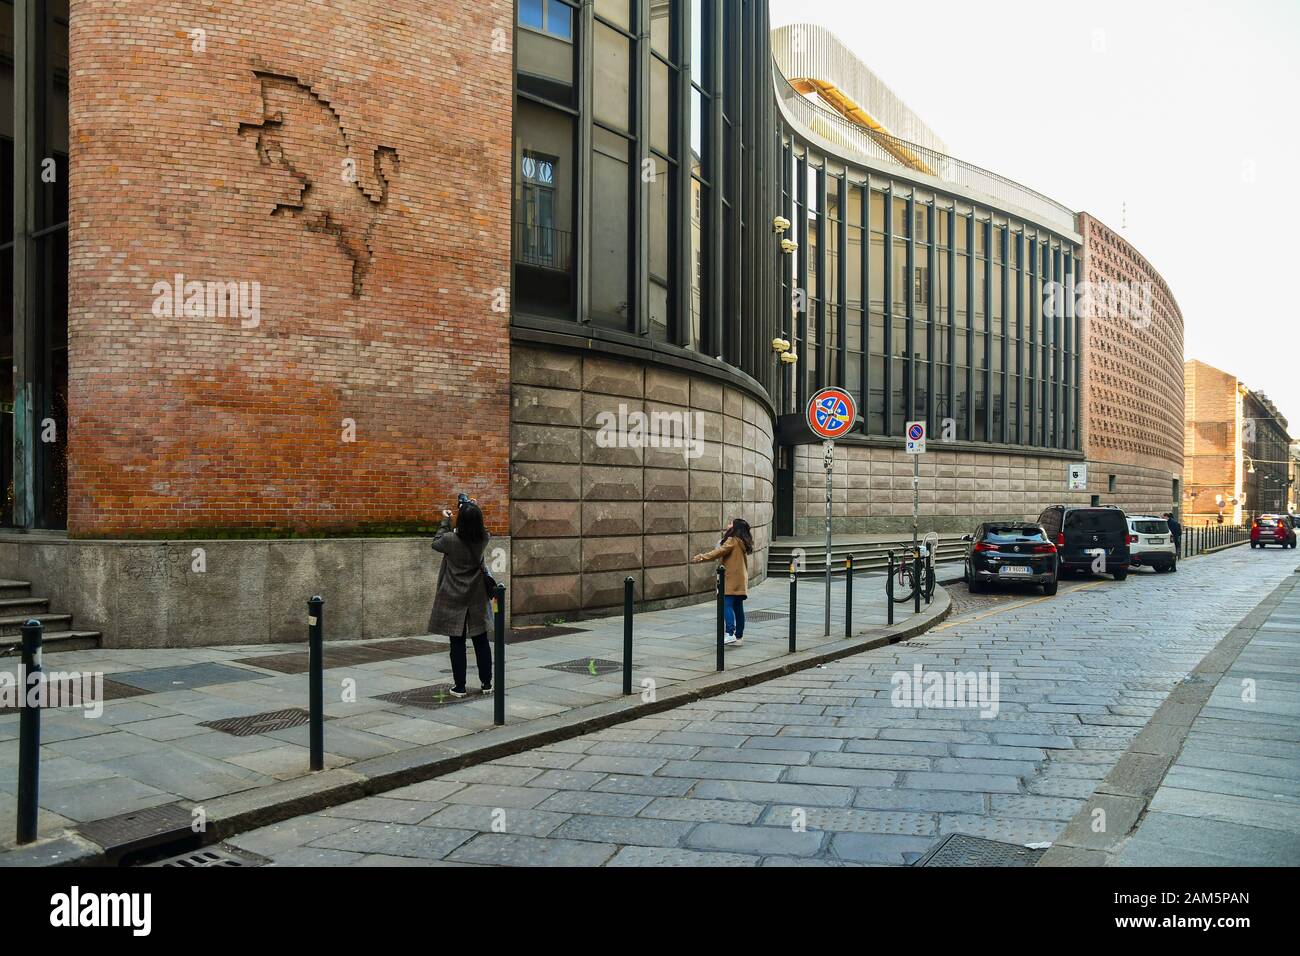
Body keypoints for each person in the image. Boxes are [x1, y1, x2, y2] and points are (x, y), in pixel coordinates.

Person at [429, 497, 492, 697]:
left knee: (457, 642)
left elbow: (435, 543)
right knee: (481, 640)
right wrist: (473, 508)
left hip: (453, 595)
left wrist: (445, 521)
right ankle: (487, 683)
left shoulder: (449, 540)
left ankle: (460, 687)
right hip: (476, 595)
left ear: (460, 520)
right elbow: (481, 528)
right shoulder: (483, 539)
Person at [692, 518, 754, 646]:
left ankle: (730, 633)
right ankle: (739, 637)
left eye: (731, 523)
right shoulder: (742, 541)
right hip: (740, 578)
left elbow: (719, 551)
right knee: (738, 608)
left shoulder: (732, 540)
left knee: (727, 605)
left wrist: (702, 556)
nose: (728, 525)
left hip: (731, 578)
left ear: (735, 527)